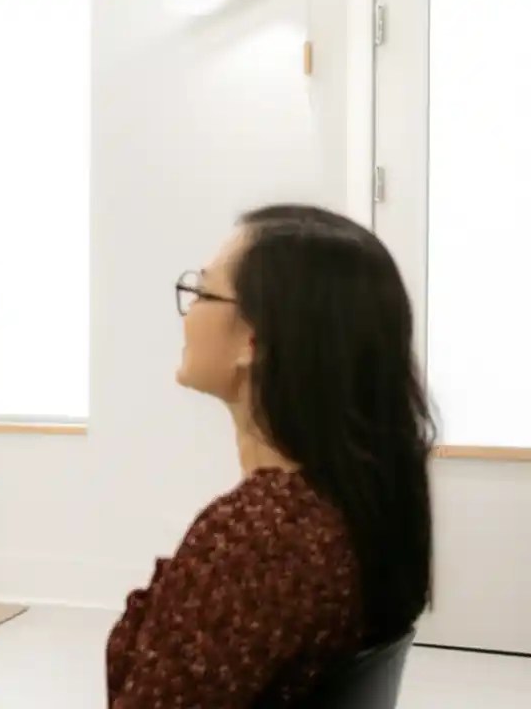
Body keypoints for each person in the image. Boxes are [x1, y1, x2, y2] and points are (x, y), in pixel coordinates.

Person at [106, 205, 435, 707]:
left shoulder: (262, 538)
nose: (189, 309)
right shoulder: (356, 502)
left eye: (202, 291)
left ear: (253, 341)